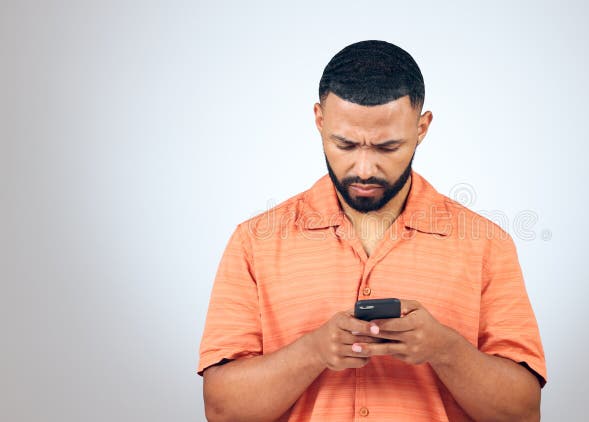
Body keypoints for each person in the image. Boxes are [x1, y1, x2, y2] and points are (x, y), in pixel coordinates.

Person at [197, 40, 547, 421]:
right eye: (344, 144)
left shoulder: (487, 245)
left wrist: (444, 349)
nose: (363, 169)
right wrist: (313, 351)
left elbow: (523, 413)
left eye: (387, 146)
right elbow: (222, 410)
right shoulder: (253, 242)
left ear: (422, 128)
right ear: (319, 121)